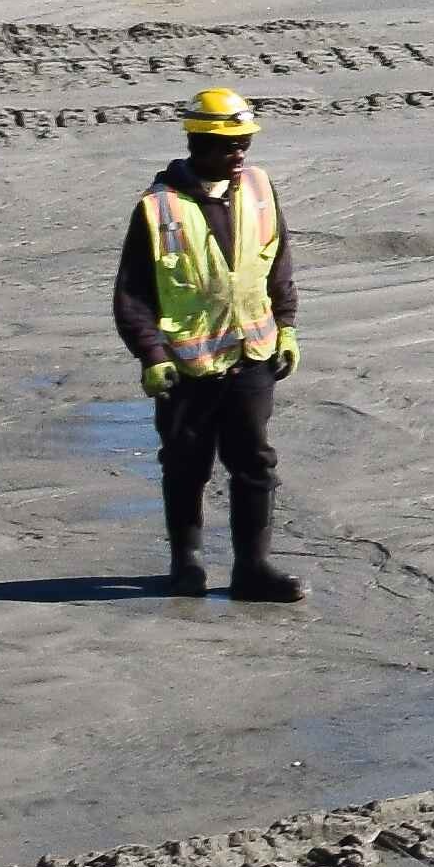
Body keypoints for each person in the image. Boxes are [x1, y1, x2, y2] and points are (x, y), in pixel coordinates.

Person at [115, 85, 304, 601]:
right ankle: (187, 566)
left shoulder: (260, 189)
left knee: (254, 463)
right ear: (199, 142)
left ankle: (253, 570)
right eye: (228, 145)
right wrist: (152, 355)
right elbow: (132, 294)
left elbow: (278, 265)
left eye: (244, 143)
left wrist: (286, 326)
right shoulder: (158, 209)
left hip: (253, 356)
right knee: (185, 465)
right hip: (187, 367)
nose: (239, 153)